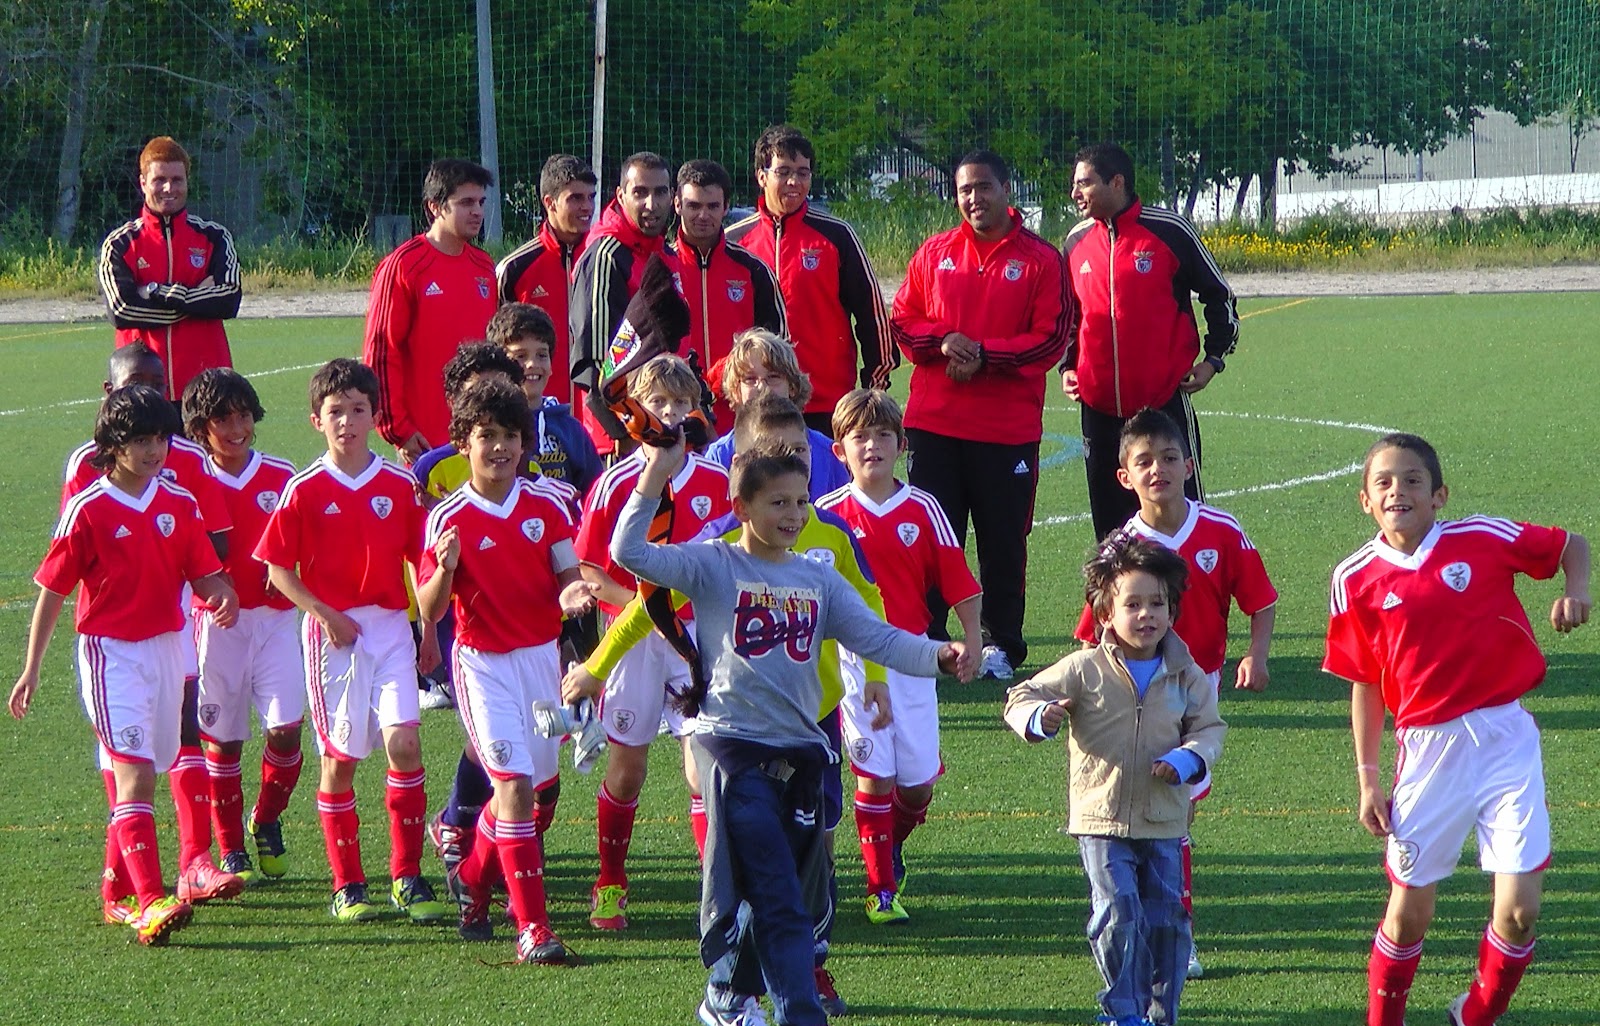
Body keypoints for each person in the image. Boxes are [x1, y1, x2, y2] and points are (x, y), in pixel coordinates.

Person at [610, 437, 969, 1026]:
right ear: (742, 506)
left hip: (801, 756)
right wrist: (656, 472)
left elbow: (876, 637)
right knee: (780, 895)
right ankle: (799, 1013)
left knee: (787, 896)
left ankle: (725, 996)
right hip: (732, 753)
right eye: (778, 503)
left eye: (801, 502)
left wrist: (938, 656)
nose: (794, 515)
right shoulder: (714, 564)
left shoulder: (817, 579)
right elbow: (629, 551)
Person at [564, 392, 884, 1016]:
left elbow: (868, 604)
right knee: (764, 863)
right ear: (744, 465)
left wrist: (876, 674)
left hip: (814, 719)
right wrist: (597, 667)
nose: (792, 464)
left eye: (800, 452)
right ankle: (758, 987)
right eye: (775, 453)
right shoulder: (720, 546)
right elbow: (651, 606)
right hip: (741, 730)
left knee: (814, 849)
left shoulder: (831, 533)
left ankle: (796, 968)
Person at [1323, 433, 1590, 1026]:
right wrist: (1368, 780)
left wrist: (1576, 592)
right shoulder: (1354, 578)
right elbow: (1364, 682)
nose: (1398, 491)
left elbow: (1571, 544)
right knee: (1408, 917)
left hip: (1506, 740)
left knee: (1519, 913)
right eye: (1383, 482)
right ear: (1365, 500)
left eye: (1413, 480)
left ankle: (1472, 1016)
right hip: (1428, 753)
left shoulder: (1480, 538)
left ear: (1439, 495)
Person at [10, 384, 240, 945]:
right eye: (140, 440)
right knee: (134, 772)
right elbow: (53, 591)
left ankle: (116, 892)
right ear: (112, 446)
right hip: (110, 654)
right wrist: (31, 667)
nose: (154, 450)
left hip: (167, 650)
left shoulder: (178, 503)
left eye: (160, 438)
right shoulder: (87, 509)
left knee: (147, 768)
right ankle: (152, 899)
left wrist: (223, 595)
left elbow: (202, 572)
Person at [1071, 407, 1276, 979]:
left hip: (1197, 687)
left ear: (1189, 464)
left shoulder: (1222, 530)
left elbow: (1261, 599)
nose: (1157, 469)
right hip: (1133, 689)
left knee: (1174, 811)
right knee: (1166, 815)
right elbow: (1091, 632)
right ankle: (1172, 935)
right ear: (1124, 477)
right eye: (1144, 461)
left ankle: (1163, 925)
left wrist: (1256, 655)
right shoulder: (1119, 548)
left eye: (1168, 458)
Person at [254, 359, 449, 924]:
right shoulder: (304, 489)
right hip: (332, 638)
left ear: (373, 416)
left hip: (390, 629)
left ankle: (406, 876)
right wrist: (325, 614)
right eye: (335, 412)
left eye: (358, 410)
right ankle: (347, 884)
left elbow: (420, 563)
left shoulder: (399, 486)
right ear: (317, 420)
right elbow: (277, 570)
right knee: (340, 760)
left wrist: (427, 631)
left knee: (405, 746)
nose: (347, 421)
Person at [1003, 535, 1225, 1026]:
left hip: (1163, 819)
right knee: (1118, 910)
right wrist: (1040, 715)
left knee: (1167, 921)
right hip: (1100, 821)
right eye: (1133, 604)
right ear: (1105, 613)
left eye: (1158, 604)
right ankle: (1123, 1012)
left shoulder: (1186, 673)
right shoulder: (1084, 669)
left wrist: (1189, 758)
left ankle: (1160, 1013)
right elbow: (1021, 695)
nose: (1147, 615)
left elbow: (1209, 730)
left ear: (1172, 610)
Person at [415, 378, 598, 965]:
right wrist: (446, 569)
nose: (500, 447)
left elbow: (567, 574)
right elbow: (431, 608)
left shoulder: (548, 503)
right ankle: (533, 930)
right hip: (482, 665)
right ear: (463, 443)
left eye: (510, 436)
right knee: (513, 787)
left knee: (537, 795)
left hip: (541, 661)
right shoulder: (448, 516)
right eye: (486, 436)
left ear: (524, 443)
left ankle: (472, 881)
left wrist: (573, 595)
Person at [62, 343, 243, 907]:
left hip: (175, 621)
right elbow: (80, 549)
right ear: (109, 395)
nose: (146, 394)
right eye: (132, 384)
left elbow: (216, 540)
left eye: (156, 385)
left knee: (183, 733)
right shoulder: (87, 465)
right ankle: (126, 885)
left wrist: (206, 584)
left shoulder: (184, 456)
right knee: (128, 757)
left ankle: (194, 862)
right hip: (114, 634)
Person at [891, 149, 1068, 682]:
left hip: (1006, 431)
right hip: (934, 425)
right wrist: (944, 341)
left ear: (1006, 190)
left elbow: (1051, 339)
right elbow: (903, 320)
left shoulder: (1041, 259)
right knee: (929, 538)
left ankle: (1000, 645)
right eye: (965, 189)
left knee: (1003, 542)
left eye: (983, 187)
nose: (974, 198)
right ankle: (926, 640)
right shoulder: (934, 251)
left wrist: (986, 355)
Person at [573, 354, 731, 930]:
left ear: (695, 410)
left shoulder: (717, 482)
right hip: (634, 641)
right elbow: (589, 568)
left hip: (697, 640)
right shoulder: (616, 482)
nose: (668, 413)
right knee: (627, 770)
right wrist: (645, 605)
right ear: (634, 412)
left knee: (703, 768)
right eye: (656, 402)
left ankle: (716, 888)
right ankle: (610, 880)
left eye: (679, 403)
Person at [817, 389, 981, 925]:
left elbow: (958, 580)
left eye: (883, 435)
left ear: (901, 445)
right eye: (860, 437)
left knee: (916, 785)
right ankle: (880, 889)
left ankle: (891, 847)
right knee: (874, 775)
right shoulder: (827, 515)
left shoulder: (923, 509)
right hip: (852, 661)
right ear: (840, 450)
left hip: (913, 660)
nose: (872, 446)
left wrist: (973, 638)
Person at [1059, 142, 1238, 541]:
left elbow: (1219, 296)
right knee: (1111, 532)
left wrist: (1213, 359)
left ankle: (1192, 581)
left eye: (1084, 183)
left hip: (1163, 403)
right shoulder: (1075, 241)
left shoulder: (1169, 230)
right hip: (1098, 411)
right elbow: (1068, 313)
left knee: (1180, 519)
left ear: (1116, 182)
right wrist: (1068, 366)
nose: (1075, 193)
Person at [181, 368, 306, 885]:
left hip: (276, 623)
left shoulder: (282, 474)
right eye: (222, 419)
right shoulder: (189, 480)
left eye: (244, 416)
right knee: (223, 740)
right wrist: (211, 592)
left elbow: (306, 541)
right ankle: (231, 847)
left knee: (286, 730)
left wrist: (290, 572)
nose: (236, 429)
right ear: (199, 428)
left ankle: (267, 817)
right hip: (217, 626)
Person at [726, 125, 894, 437]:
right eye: (783, 172)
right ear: (762, 176)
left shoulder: (836, 236)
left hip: (827, 402)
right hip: (757, 404)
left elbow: (871, 314)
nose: (794, 182)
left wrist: (875, 388)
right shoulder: (735, 242)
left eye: (803, 173)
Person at [363, 158, 499, 463]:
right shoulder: (404, 266)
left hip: (481, 435)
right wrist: (398, 429)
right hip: (425, 441)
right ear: (435, 207)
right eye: (466, 202)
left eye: (480, 202)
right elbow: (382, 352)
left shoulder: (484, 266)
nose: (477, 211)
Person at [98, 136, 241, 401]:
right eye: (159, 180)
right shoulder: (120, 243)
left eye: (177, 180)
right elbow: (122, 311)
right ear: (143, 183)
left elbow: (228, 301)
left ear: (187, 181)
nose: (168, 188)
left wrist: (156, 292)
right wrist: (196, 299)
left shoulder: (215, 237)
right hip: (143, 391)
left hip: (206, 387)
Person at [570, 151, 676, 455]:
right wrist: (623, 432)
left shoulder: (665, 254)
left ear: (672, 196)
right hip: (622, 441)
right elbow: (593, 361)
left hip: (663, 426)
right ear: (621, 195)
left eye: (660, 192)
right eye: (640, 193)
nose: (651, 204)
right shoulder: (606, 256)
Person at [672, 159, 786, 433]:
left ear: (726, 207)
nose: (703, 215)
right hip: (677, 411)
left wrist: (725, 373)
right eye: (694, 206)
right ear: (677, 205)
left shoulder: (753, 269)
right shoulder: (661, 268)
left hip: (741, 414)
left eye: (712, 206)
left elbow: (776, 348)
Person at [495, 154, 600, 408]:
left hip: (598, 414)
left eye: (591, 197)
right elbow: (496, 346)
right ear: (550, 202)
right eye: (576, 198)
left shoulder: (605, 259)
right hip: (535, 412)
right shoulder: (515, 268)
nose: (587, 207)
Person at [704, 329, 848, 501]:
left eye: (773, 377)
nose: (762, 387)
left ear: (792, 386)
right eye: (750, 379)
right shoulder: (719, 456)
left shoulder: (826, 453)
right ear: (736, 390)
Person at [489, 303, 604, 496]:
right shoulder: (488, 426)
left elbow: (594, 494)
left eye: (542, 355)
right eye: (520, 356)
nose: (532, 364)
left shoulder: (571, 429)